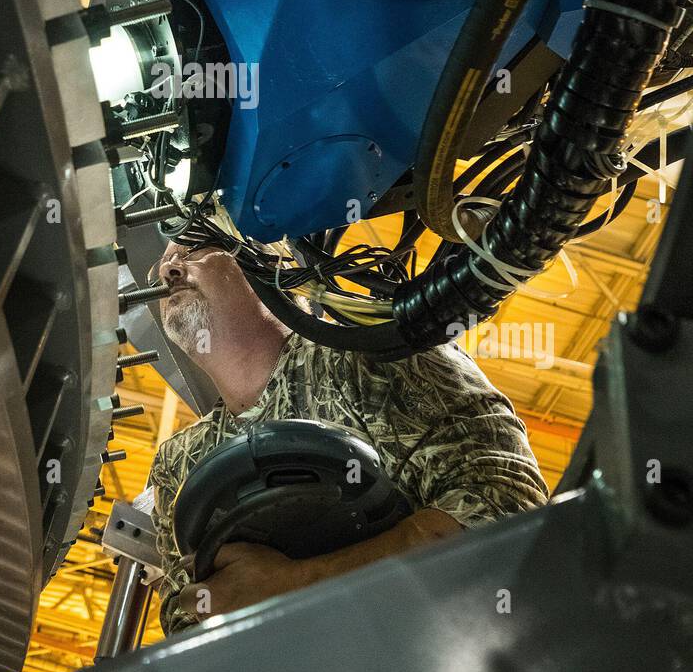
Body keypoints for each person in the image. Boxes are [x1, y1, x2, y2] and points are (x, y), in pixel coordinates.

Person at [149, 240, 549, 635]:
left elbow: (508, 503)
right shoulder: (179, 460)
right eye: (164, 262)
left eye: (192, 250)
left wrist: (300, 584)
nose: (168, 270)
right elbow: (184, 619)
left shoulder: (375, 356)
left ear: (274, 264)